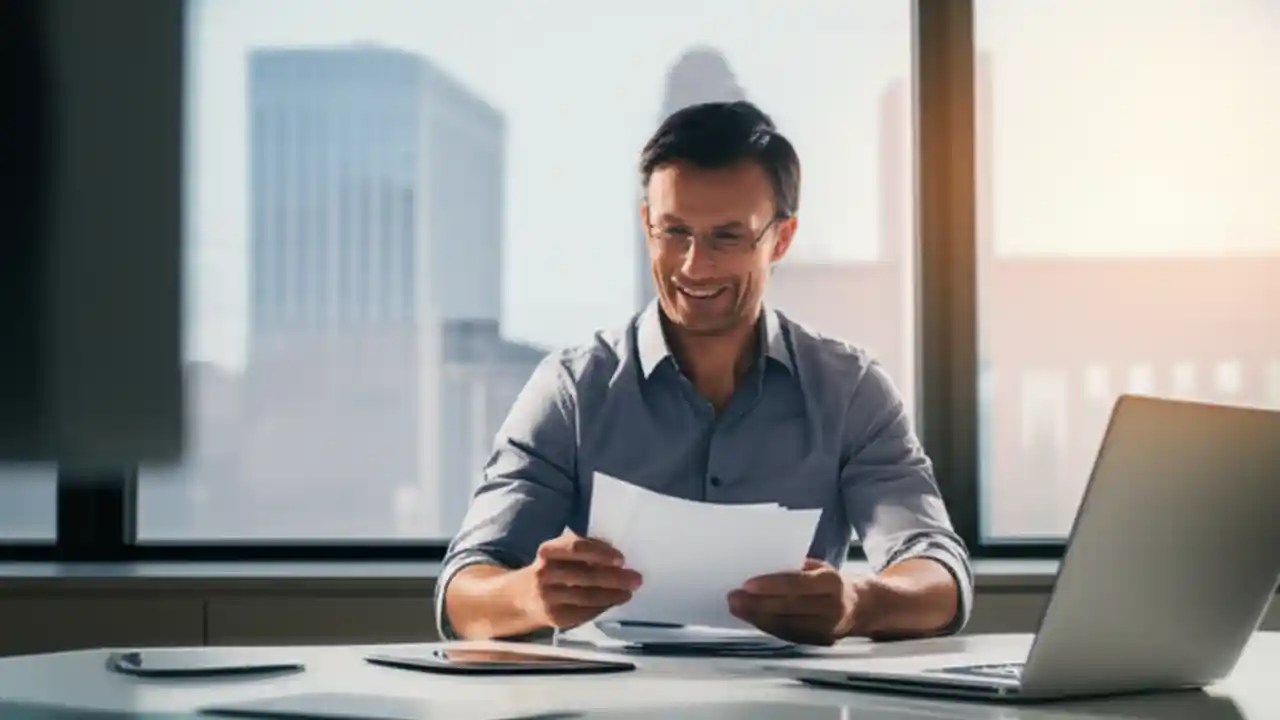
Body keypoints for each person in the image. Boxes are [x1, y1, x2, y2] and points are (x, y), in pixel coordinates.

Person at [436, 101, 972, 646]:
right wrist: (528, 596)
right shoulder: (572, 389)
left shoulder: (850, 390)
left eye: (727, 237)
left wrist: (860, 604)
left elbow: (937, 571)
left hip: (791, 692)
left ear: (782, 238)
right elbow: (463, 593)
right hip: (611, 690)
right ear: (647, 224)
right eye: (675, 232)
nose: (694, 265)